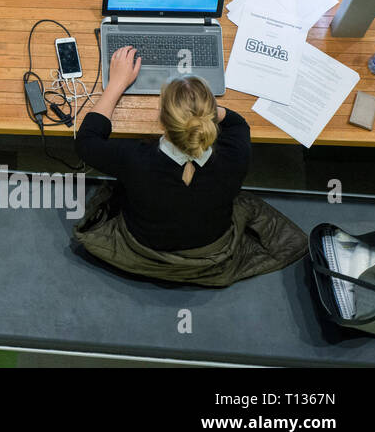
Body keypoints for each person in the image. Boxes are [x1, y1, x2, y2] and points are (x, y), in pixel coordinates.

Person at [71, 46, 304, 285]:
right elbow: (237, 122)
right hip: (210, 251)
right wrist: (202, 108)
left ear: (161, 119)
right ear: (210, 117)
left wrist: (116, 83)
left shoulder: (134, 159)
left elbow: (87, 142)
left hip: (143, 245)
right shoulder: (235, 155)